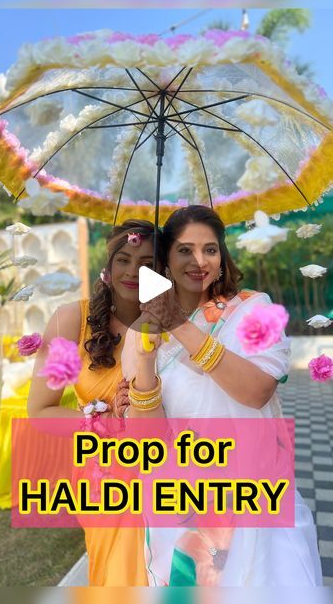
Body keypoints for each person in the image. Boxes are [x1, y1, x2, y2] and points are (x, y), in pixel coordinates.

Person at [121, 204, 323, 586]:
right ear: (164, 258)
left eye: (210, 249)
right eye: (184, 250)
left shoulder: (254, 309)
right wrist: (146, 362)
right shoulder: (141, 332)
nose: (199, 261)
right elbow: (149, 441)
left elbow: (257, 391)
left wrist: (177, 324)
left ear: (222, 255)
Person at [27, 219, 163, 586]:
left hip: (169, 474)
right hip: (107, 479)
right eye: (124, 259)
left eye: (148, 263)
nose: (134, 271)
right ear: (109, 264)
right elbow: (40, 411)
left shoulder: (179, 326)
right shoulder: (71, 320)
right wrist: (106, 424)